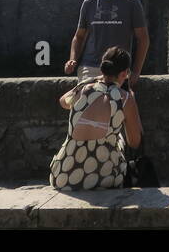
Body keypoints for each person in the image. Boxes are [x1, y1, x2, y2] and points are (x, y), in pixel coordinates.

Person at [50, 46, 141, 190]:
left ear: (102, 69)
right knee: (119, 139)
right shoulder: (125, 99)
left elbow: (63, 102)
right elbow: (134, 142)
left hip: (64, 175)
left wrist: (90, 81)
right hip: (105, 177)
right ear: (124, 73)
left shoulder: (82, 88)